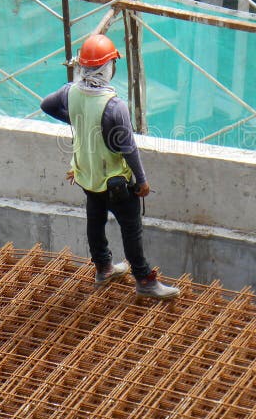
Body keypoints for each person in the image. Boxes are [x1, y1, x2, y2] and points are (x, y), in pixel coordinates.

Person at [40, 33, 180, 299]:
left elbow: (46, 105)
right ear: (107, 68)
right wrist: (142, 180)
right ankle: (144, 280)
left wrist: (76, 119)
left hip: (86, 175)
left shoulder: (70, 92)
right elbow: (128, 148)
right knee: (131, 229)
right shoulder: (114, 106)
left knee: (95, 221)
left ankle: (103, 267)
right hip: (115, 182)